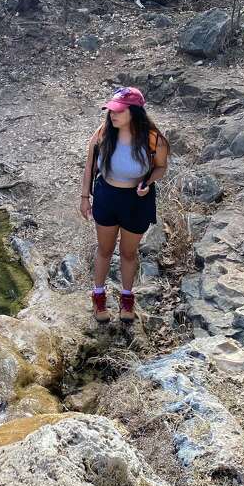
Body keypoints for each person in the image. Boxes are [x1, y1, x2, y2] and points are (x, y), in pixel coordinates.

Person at [80, 86, 168, 323]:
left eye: (118, 111)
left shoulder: (152, 139)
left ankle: (127, 298)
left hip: (136, 201)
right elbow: (90, 166)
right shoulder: (104, 133)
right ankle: (98, 296)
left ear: (134, 112)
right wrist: (84, 198)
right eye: (111, 110)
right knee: (104, 249)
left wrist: (148, 182)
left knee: (128, 253)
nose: (112, 115)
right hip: (107, 196)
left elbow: (160, 167)